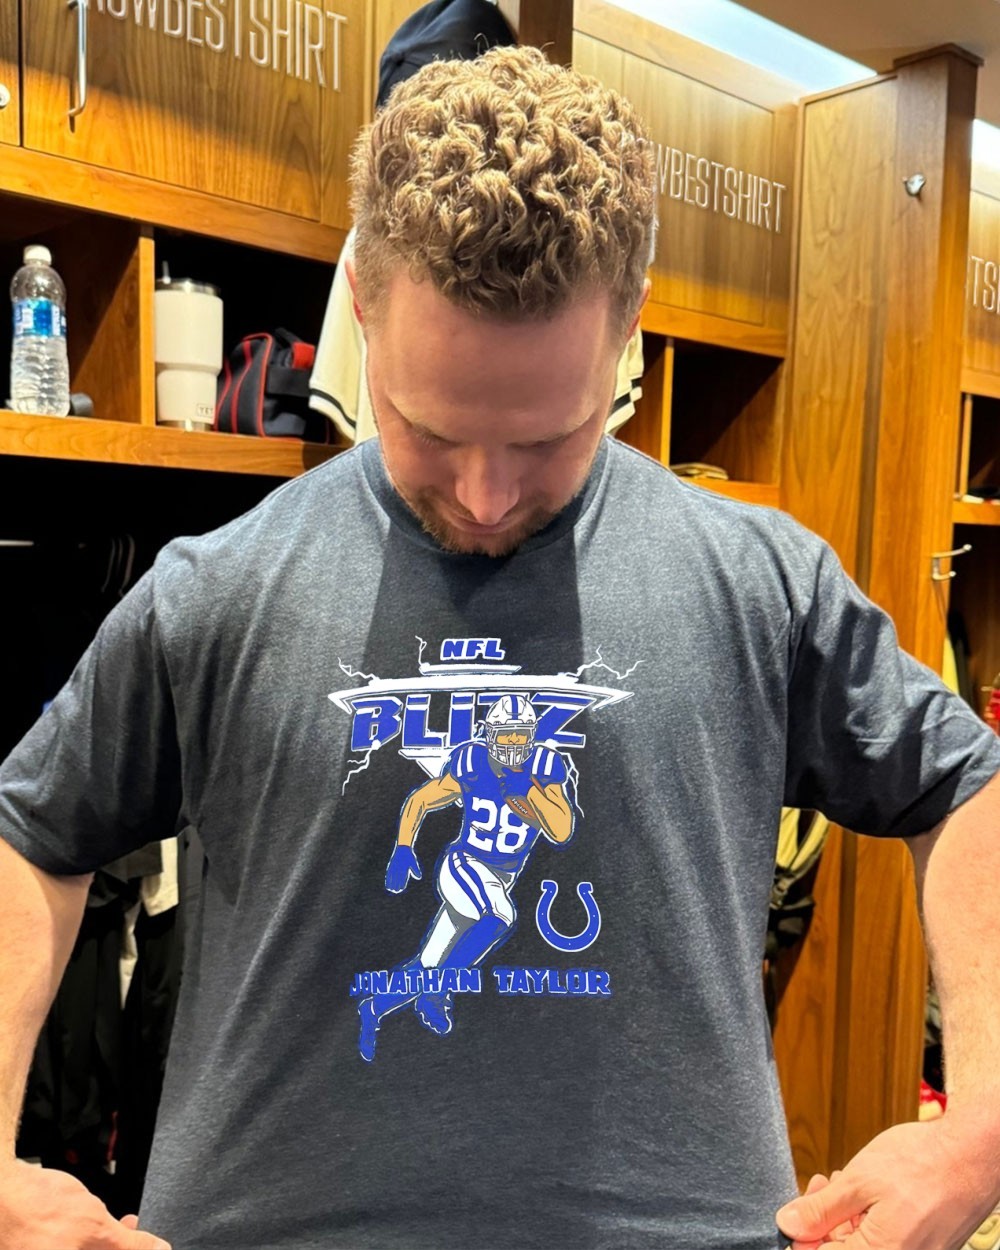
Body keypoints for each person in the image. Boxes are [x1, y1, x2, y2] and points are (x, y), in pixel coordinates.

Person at [1, 43, 999, 1250]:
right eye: (427, 429)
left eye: (545, 438)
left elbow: (965, 782)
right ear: (361, 300)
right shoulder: (214, 593)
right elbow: (31, 828)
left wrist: (980, 1126)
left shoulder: (761, 584)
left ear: (627, 324)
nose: (483, 496)